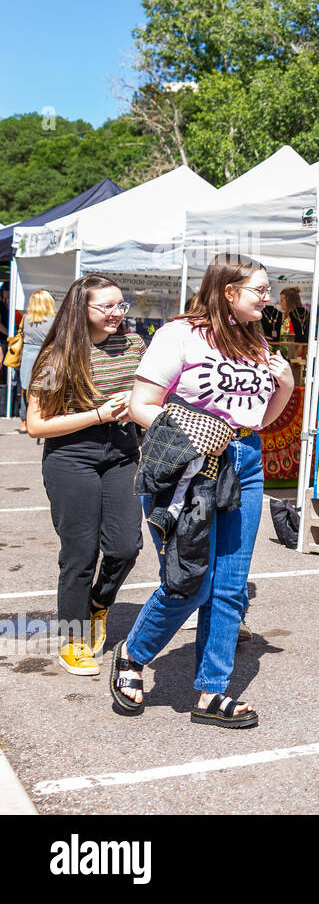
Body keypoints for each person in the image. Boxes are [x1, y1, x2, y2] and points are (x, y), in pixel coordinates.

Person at [111, 254, 294, 727]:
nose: (268, 297)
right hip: (188, 469)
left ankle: (211, 692)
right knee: (191, 579)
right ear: (229, 292)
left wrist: (286, 386)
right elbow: (140, 406)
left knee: (231, 587)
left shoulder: (256, 340)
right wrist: (196, 440)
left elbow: (259, 420)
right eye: (261, 289)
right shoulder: (179, 334)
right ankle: (133, 654)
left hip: (244, 463)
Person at [25, 276, 144, 676]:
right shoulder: (59, 356)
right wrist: (98, 414)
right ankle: (73, 640)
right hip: (71, 454)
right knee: (79, 553)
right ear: (82, 309)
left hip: (122, 449)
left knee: (126, 546)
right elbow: (37, 425)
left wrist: (137, 406)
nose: (116, 314)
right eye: (106, 307)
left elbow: (153, 394)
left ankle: (98, 605)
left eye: (120, 305)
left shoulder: (134, 346)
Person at [17, 289, 56, 434]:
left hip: (28, 357)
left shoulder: (26, 318)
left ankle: (24, 422)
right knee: (47, 388)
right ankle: (45, 417)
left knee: (26, 390)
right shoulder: (54, 320)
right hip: (47, 357)